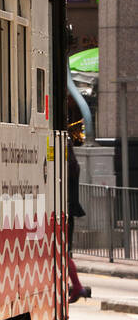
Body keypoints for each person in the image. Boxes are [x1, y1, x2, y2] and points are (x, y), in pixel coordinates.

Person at [67, 118, 91, 303]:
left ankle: (77, 286)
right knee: (64, 252)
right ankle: (76, 286)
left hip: (64, 211)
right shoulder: (73, 164)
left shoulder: (67, 163)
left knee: (62, 253)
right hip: (69, 210)